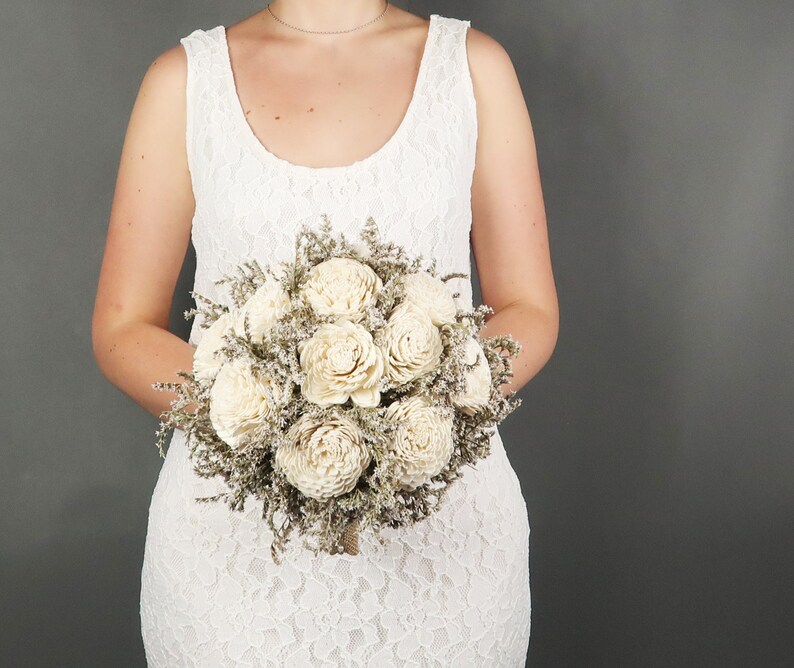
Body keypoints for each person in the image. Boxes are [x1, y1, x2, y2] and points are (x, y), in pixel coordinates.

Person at [92, 0, 558, 664]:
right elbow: (122, 326)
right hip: (233, 561)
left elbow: (529, 307)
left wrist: (418, 412)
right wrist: (270, 426)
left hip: (442, 546)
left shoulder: (474, 67)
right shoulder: (184, 81)